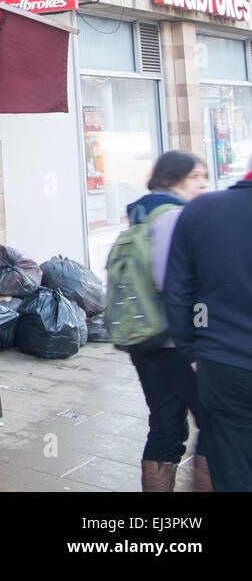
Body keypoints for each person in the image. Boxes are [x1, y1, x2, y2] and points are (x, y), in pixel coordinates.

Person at [120, 151, 209, 492]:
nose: (203, 183)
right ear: (172, 180)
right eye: (195, 177)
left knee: (165, 424)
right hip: (174, 341)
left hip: (141, 335)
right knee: (214, 421)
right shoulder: (174, 217)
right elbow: (176, 284)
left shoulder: (141, 213)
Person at [165, 151, 252, 491]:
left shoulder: (203, 210)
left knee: (232, 472)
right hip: (222, 360)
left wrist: (194, 352)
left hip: (223, 363)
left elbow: (177, 294)